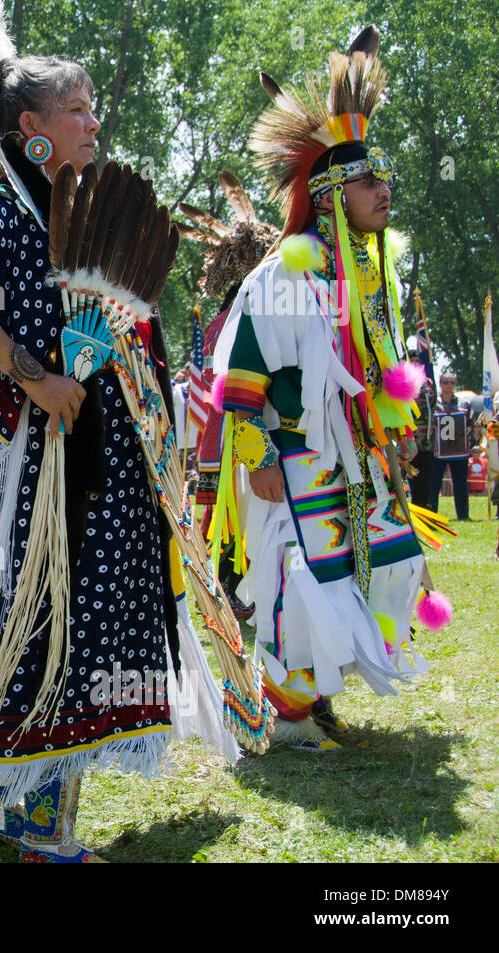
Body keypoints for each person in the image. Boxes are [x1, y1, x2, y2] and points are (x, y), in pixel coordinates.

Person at [0, 1, 251, 861]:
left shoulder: (81, 214)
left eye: (92, 108)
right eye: (76, 109)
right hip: (52, 468)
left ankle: (0, 792)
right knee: (54, 622)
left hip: (117, 459)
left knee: (95, 623)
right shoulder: (4, 213)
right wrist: (36, 378)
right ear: (32, 126)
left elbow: (134, 331)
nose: (93, 123)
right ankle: (37, 814)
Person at [217, 27, 439, 749]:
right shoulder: (288, 274)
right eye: (370, 182)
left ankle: (322, 684)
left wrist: (389, 430)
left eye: (385, 180)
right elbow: (243, 373)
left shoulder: (363, 277)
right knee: (301, 577)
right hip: (295, 455)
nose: (385, 191)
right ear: (331, 193)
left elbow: (370, 371)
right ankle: (287, 707)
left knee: (389, 558)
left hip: (356, 454)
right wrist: (256, 455)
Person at [177, 170, 280, 619]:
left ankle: (229, 587)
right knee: (241, 515)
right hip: (241, 430)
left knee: (231, 519)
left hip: (222, 432)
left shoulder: (227, 314)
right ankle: (233, 588)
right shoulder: (250, 310)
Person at [430, 372, 473, 520]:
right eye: (446, 382)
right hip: (438, 451)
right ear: (440, 384)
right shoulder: (433, 403)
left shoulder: (463, 403)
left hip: (459, 451)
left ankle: (463, 515)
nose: (449, 385)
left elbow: (470, 424)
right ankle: (432, 514)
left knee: (461, 484)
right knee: (434, 484)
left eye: (452, 383)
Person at [407, 349, 437, 508]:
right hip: (409, 441)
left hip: (427, 443)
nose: (416, 363)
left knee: (426, 480)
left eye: (418, 361)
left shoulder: (429, 384)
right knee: (412, 481)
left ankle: (425, 512)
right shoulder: (402, 381)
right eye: (412, 361)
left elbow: (433, 405)